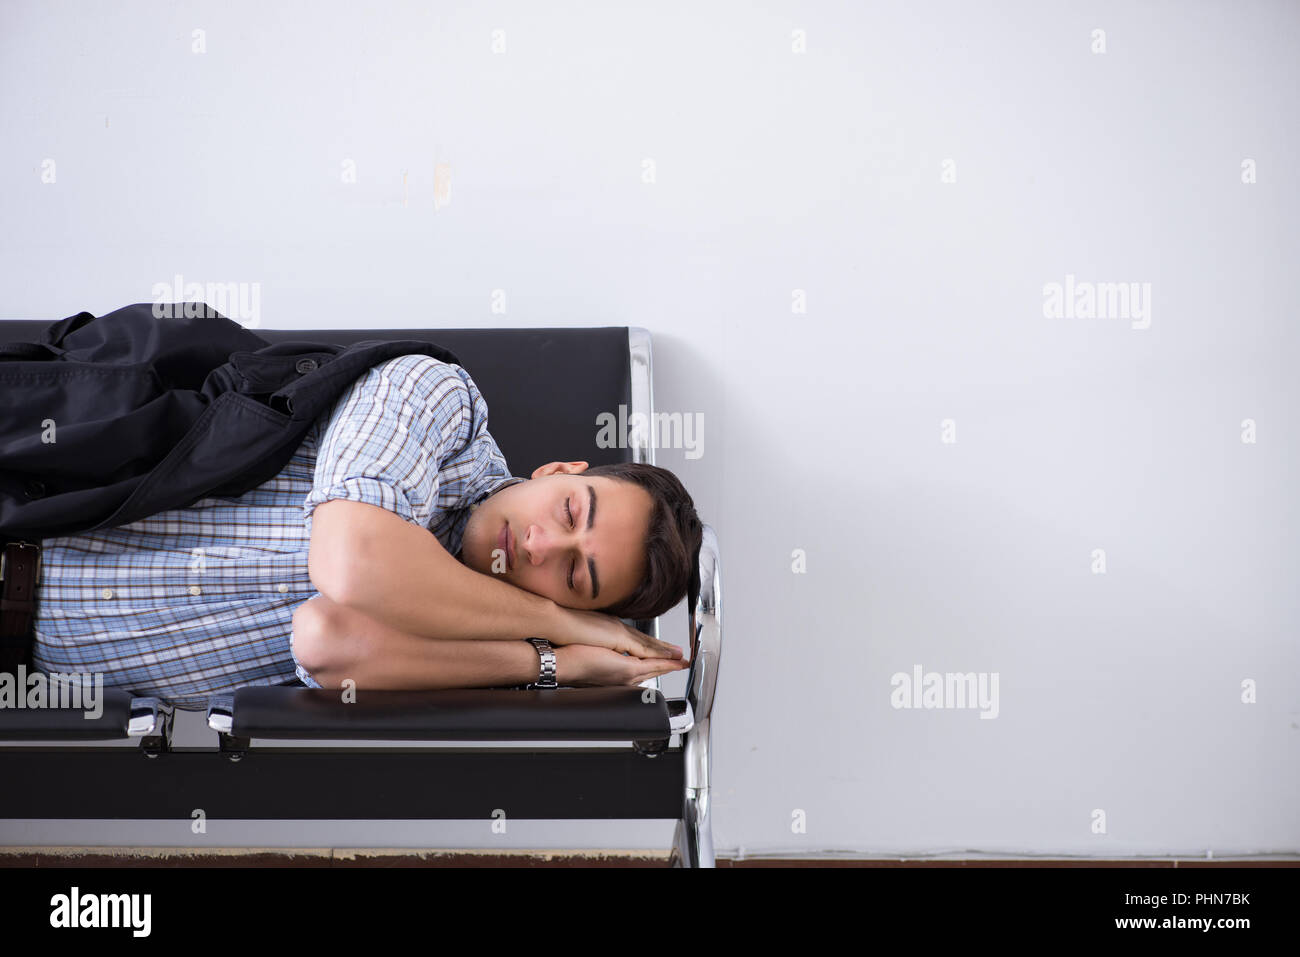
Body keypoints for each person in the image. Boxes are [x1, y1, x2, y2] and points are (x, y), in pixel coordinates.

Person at [29, 353, 702, 709]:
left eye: (575, 576)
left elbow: (327, 640)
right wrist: (574, 627)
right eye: (568, 512)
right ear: (558, 469)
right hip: (22, 529)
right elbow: (350, 565)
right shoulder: (438, 399)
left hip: (26, 680)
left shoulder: (488, 637)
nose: (540, 546)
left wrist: (551, 660)